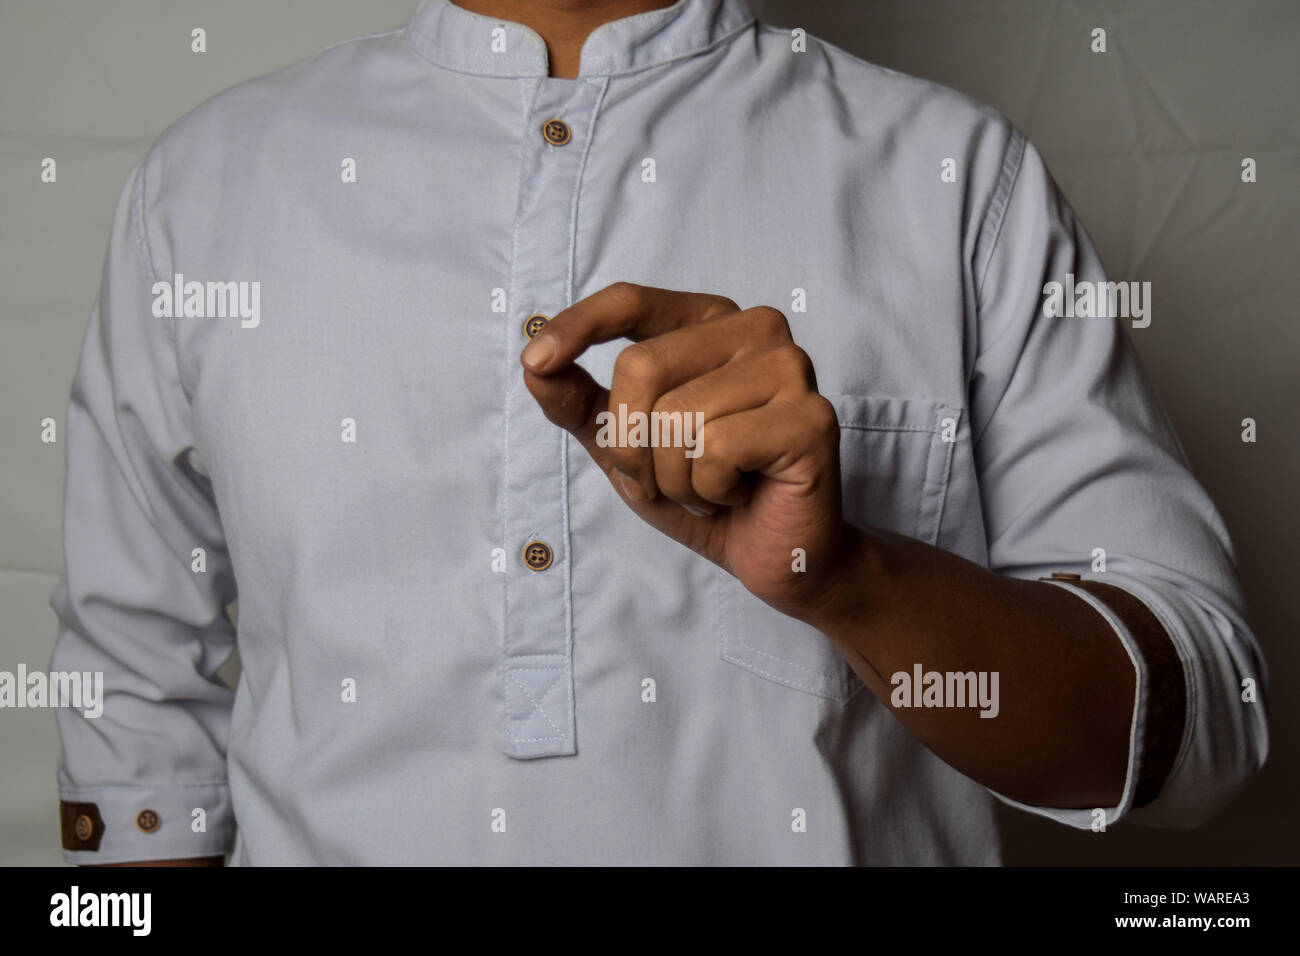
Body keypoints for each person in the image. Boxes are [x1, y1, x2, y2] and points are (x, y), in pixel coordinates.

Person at [50, 0, 1267, 866]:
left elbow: (1204, 732)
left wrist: (854, 578)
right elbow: (130, 717)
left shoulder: (956, 178)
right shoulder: (205, 190)